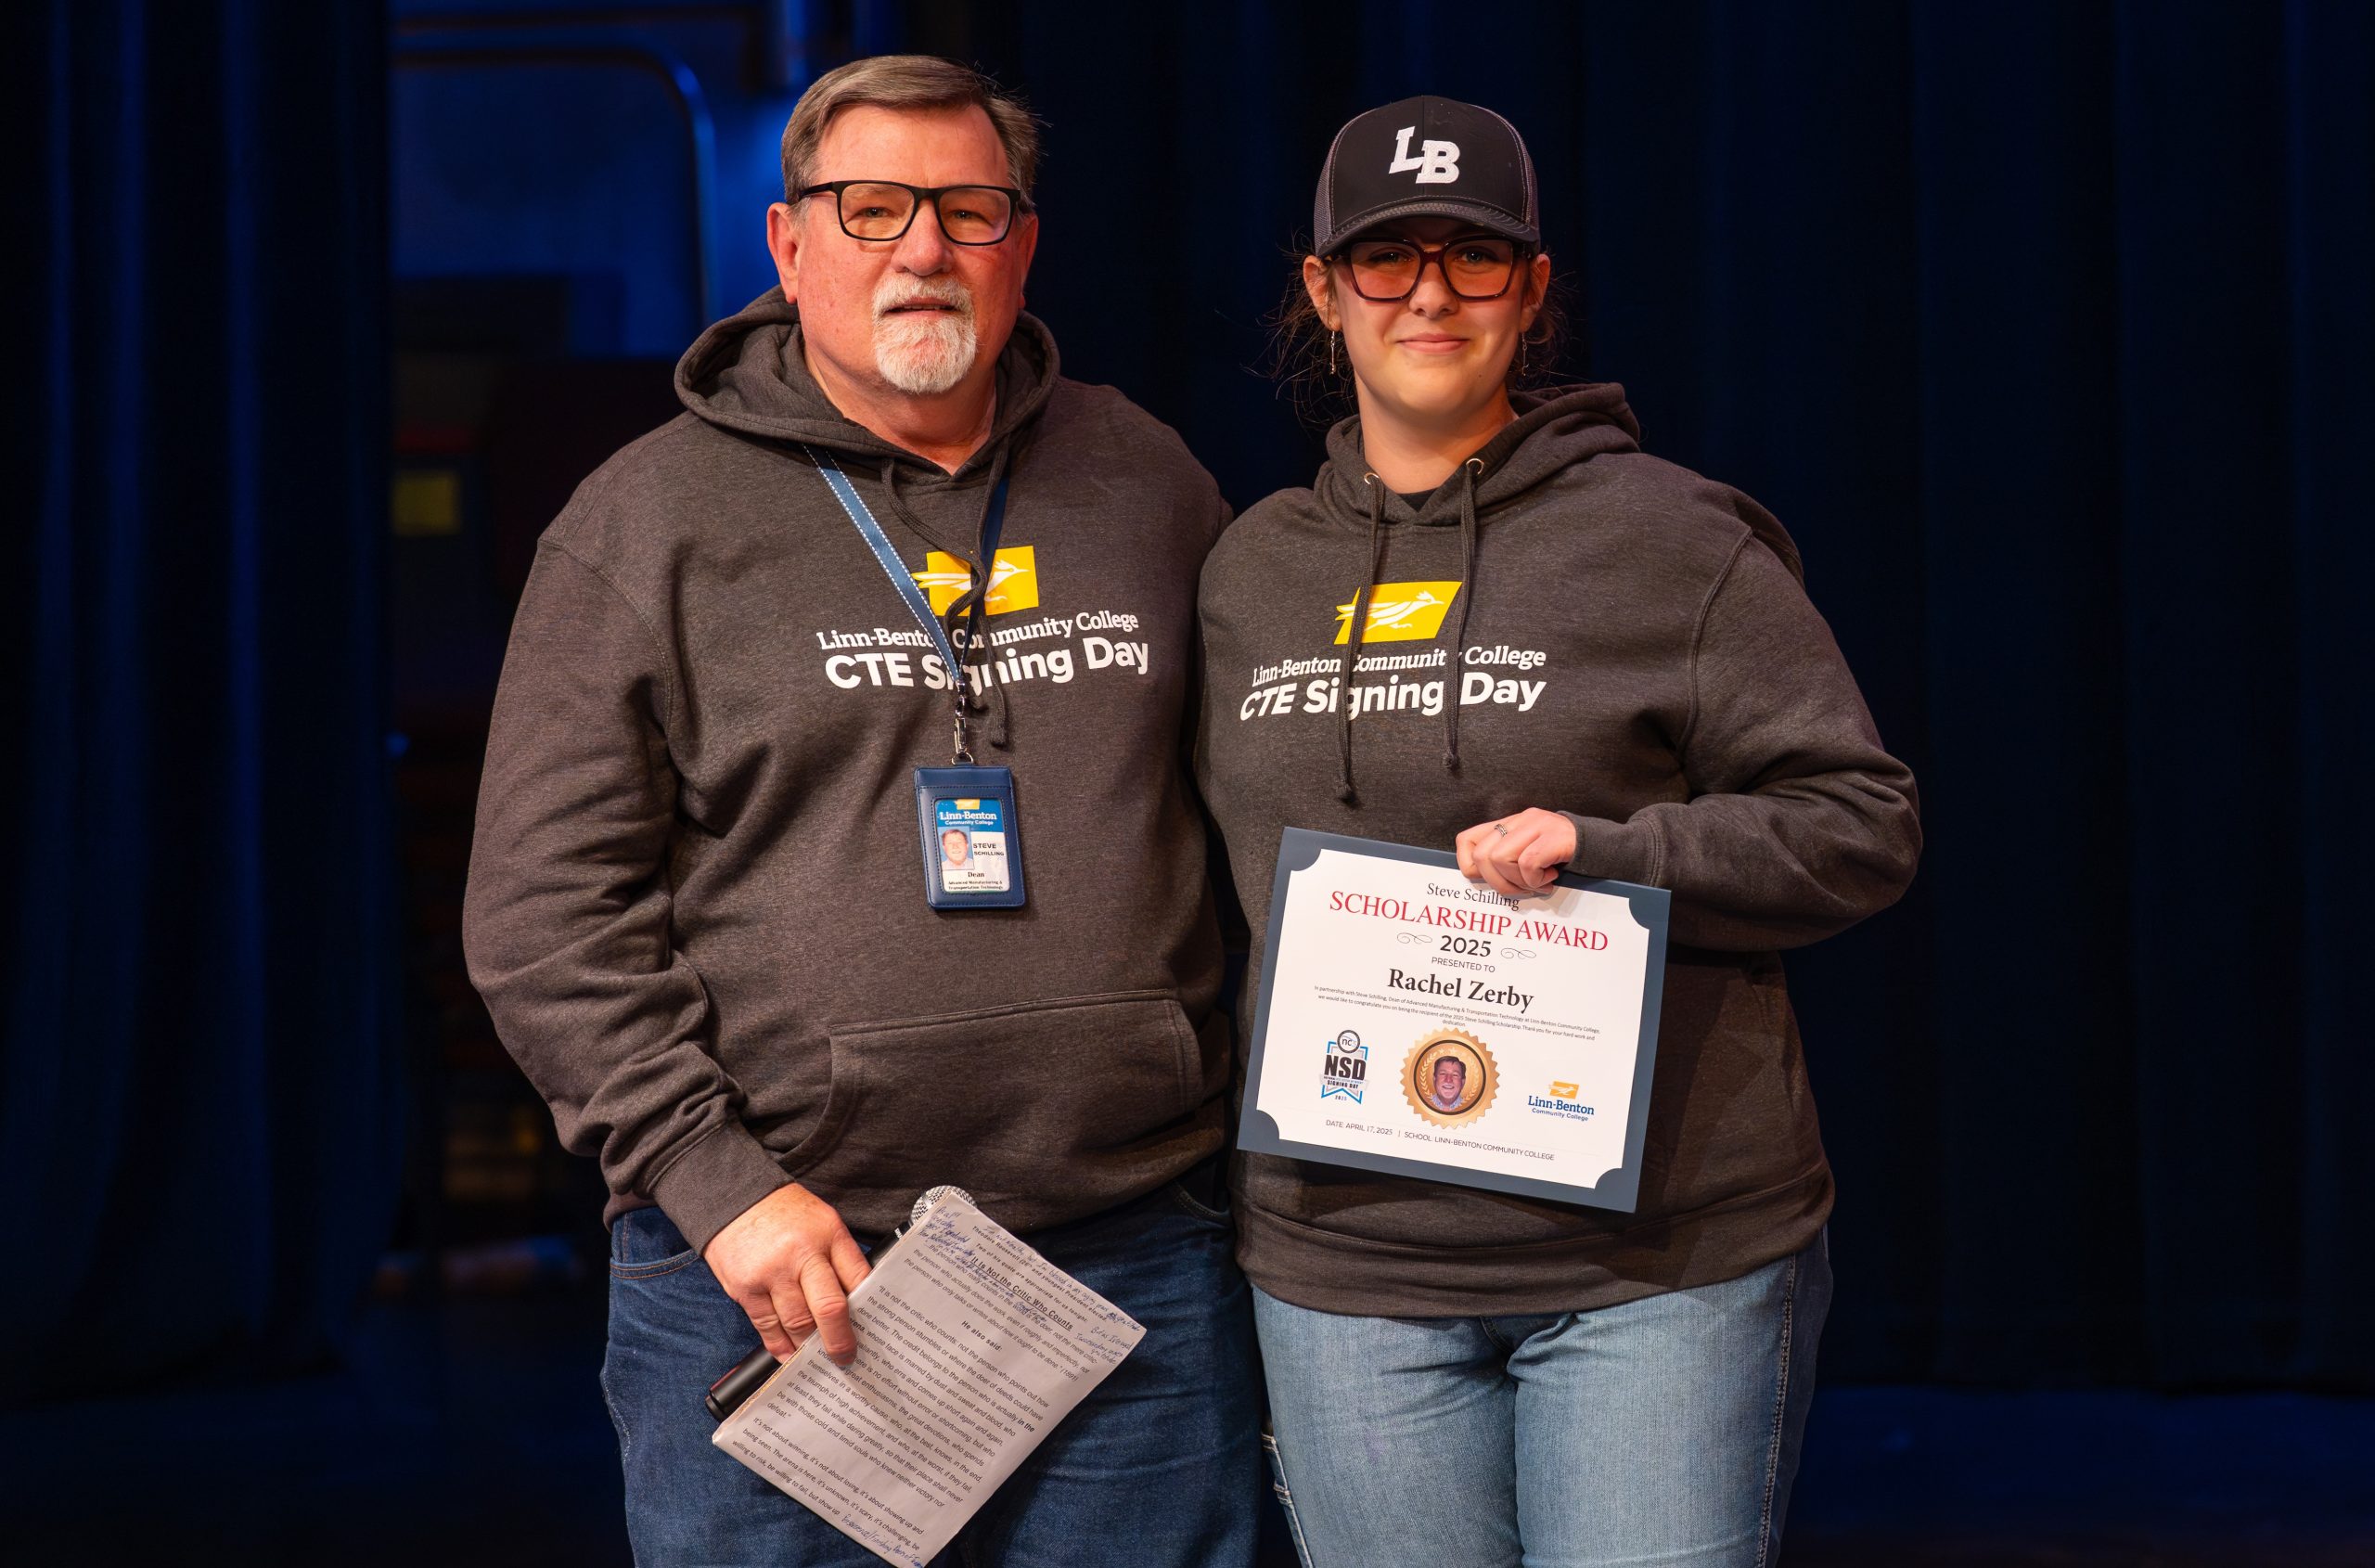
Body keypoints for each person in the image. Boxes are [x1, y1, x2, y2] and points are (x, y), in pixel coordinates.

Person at [463, 55, 1259, 1568]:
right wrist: (718, 1184)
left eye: (968, 210)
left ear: (1023, 242)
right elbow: (541, 915)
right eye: (874, 206)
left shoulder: (1148, 480)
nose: (922, 250)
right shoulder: (647, 521)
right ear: (789, 243)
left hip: (1133, 1252)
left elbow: (1250, 810)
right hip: (784, 1269)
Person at [1196, 96, 1922, 1568]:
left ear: (1531, 290)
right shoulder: (1245, 571)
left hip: (1655, 1265)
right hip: (1350, 1270)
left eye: (1473, 259)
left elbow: (1860, 823)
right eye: (1388, 260)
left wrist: (1618, 850)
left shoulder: (1676, 536)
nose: (1431, 296)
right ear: (1323, 292)